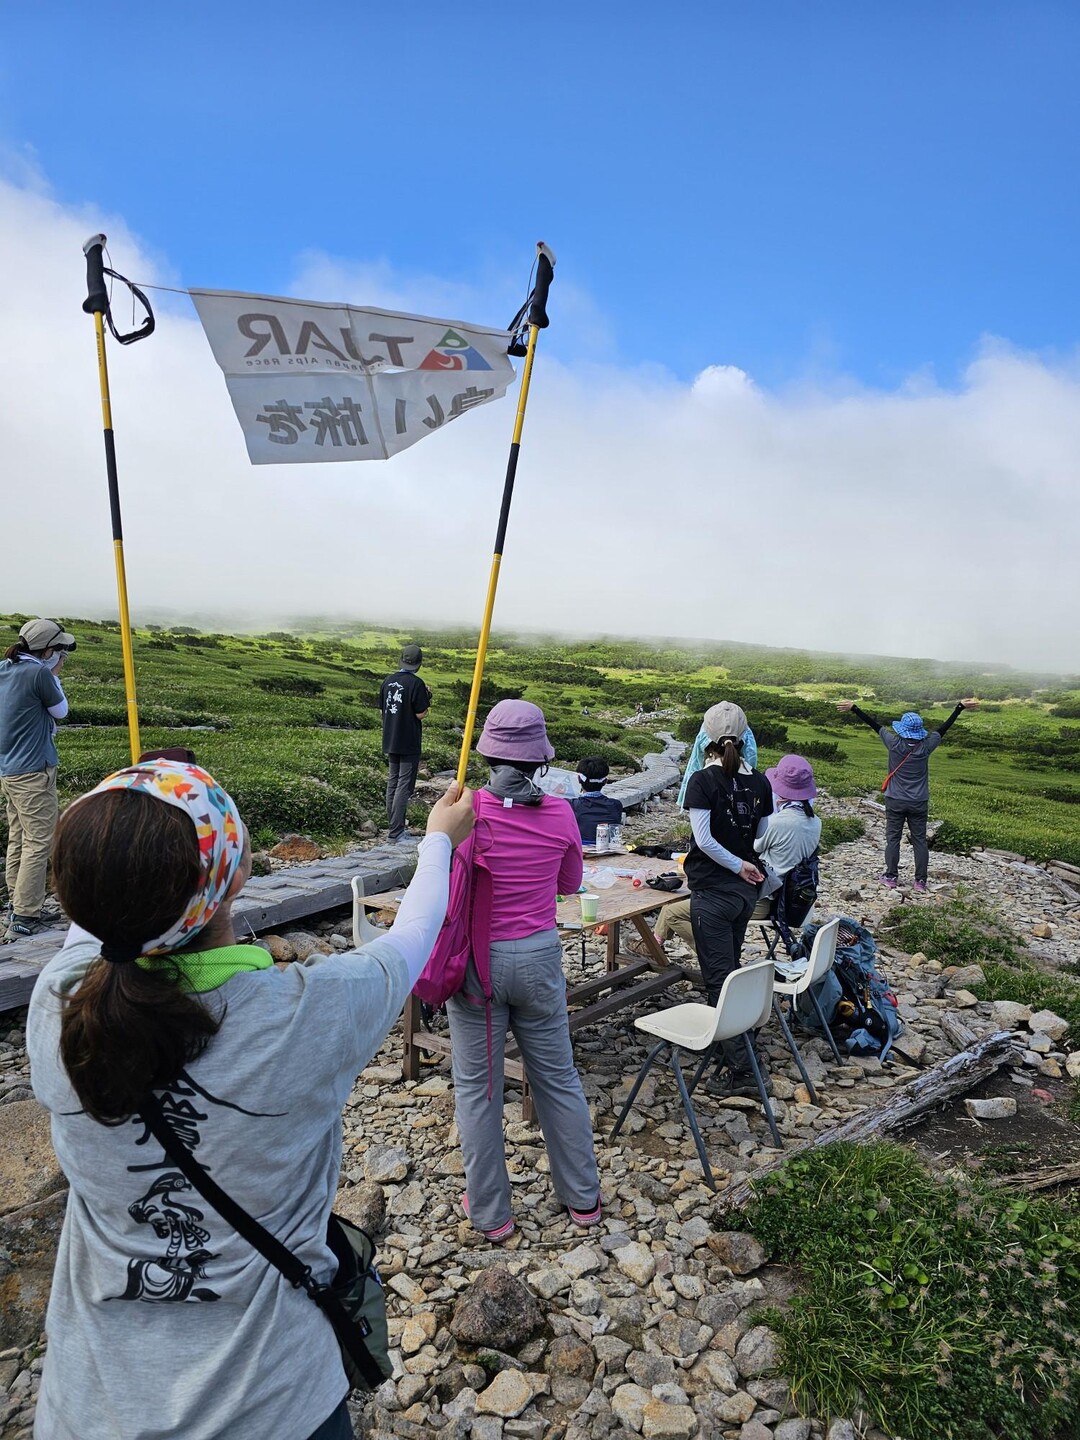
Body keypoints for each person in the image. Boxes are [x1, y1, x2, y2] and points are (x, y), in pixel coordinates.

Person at [26, 757, 474, 1440]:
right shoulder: (308, 1011)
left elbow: (103, 912)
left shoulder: (57, 1002)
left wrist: (117, 830)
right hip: (274, 1402)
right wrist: (439, 838)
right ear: (235, 878)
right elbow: (413, 934)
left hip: (91, 1405)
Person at [446, 700, 601, 1242]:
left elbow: (439, 876)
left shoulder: (464, 809)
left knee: (478, 1090)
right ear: (540, 760)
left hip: (477, 963)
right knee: (557, 1078)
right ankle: (582, 1198)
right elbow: (568, 884)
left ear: (487, 754)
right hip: (538, 956)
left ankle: (491, 1214)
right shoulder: (561, 813)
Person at [682, 702, 774, 1097]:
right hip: (744, 893)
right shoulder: (762, 783)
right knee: (730, 967)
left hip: (713, 892)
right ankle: (729, 1043)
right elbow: (762, 836)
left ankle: (745, 1069)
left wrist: (735, 865)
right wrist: (744, 862)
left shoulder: (702, 780)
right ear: (745, 735)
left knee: (719, 978)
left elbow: (703, 840)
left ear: (706, 736)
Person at [838, 698, 978, 891]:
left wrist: (854, 708)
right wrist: (959, 708)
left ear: (902, 729)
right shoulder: (927, 746)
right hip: (919, 801)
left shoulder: (894, 743)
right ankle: (920, 881)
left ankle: (891, 876)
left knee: (893, 839)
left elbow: (874, 725)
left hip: (895, 799)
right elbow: (943, 728)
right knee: (919, 841)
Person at [1, 617, 73, 940]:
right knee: (39, 840)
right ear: (48, 651)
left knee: (19, 836)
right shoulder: (40, 674)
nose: (62, 657)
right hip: (34, 771)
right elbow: (61, 711)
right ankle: (25, 915)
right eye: (60, 651)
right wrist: (54, 675)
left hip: (9, 770)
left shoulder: (5, 668)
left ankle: (16, 903)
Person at [379, 643, 432, 845]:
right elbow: (420, 713)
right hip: (409, 741)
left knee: (393, 781)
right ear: (418, 663)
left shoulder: (387, 681)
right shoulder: (417, 684)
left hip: (390, 738)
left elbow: (382, 710)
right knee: (404, 785)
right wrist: (427, 698)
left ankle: (393, 827)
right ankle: (396, 832)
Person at [754, 754, 822, 898]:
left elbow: (754, 848)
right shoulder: (816, 822)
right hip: (796, 895)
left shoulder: (777, 822)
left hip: (767, 895)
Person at [569, 756, 624, 845]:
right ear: (605, 781)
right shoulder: (616, 805)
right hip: (606, 849)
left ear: (579, 780)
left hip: (579, 849)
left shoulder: (571, 805)